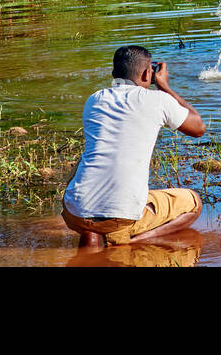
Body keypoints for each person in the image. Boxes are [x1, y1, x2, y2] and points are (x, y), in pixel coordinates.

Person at [62, 45, 207, 248]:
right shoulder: (158, 100)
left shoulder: (95, 99)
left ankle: (92, 237)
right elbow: (198, 127)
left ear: (114, 74)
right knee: (194, 203)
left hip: (74, 211)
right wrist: (164, 85)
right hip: (121, 216)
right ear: (148, 73)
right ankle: (130, 240)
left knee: (88, 164)